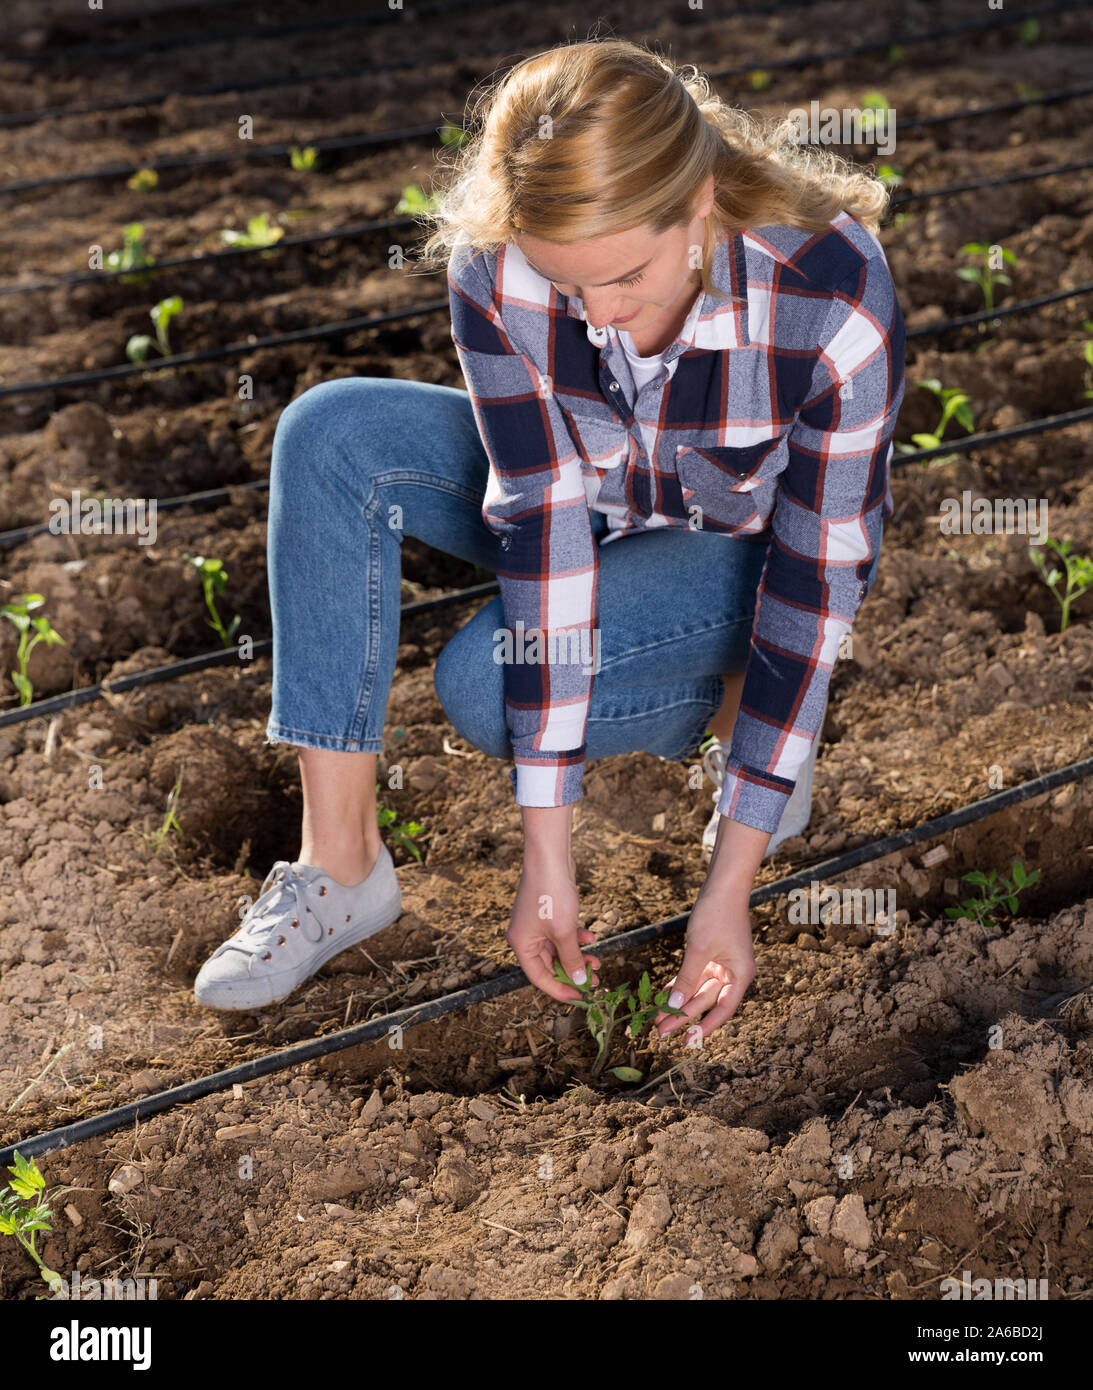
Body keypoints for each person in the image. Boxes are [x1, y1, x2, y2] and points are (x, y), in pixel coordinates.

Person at [193, 38, 906, 1043]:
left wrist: (728, 887)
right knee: (331, 434)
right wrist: (547, 858)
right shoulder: (500, 261)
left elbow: (816, 577)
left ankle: (742, 729)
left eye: (624, 278)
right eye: (569, 290)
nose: (600, 317)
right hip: (596, 505)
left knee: (487, 689)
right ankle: (340, 867)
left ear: (698, 201)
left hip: (730, 556)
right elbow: (543, 527)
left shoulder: (828, 289)